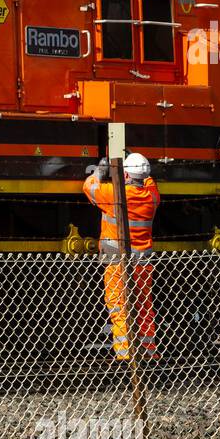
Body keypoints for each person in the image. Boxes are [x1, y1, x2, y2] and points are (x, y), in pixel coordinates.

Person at [83, 153, 161, 361]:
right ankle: (148, 350)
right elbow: (148, 180)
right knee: (143, 305)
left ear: (125, 173)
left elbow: (89, 186)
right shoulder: (152, 195)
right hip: (143, 263)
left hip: (117, 262)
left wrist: (101, 169)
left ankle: (126, 353)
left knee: (119, 305)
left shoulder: (114, 194)